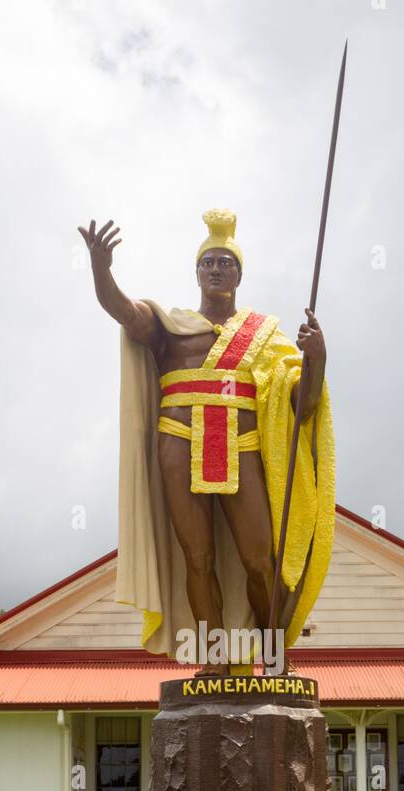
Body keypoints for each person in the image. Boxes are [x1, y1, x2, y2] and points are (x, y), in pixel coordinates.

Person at [80, 208, 336, 671]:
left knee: (260, 560)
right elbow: (123, 311)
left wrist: (316, 358)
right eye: (208, 263)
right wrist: (102, 269)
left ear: (238, 274)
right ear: (197, 273)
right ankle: (214, 659)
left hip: (244, 445)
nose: (216, 269)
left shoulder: (266, 335)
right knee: (197, 556)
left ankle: (275, 657)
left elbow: (304, 405)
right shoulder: (172, 326)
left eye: (226, 263)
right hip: (179, 442)